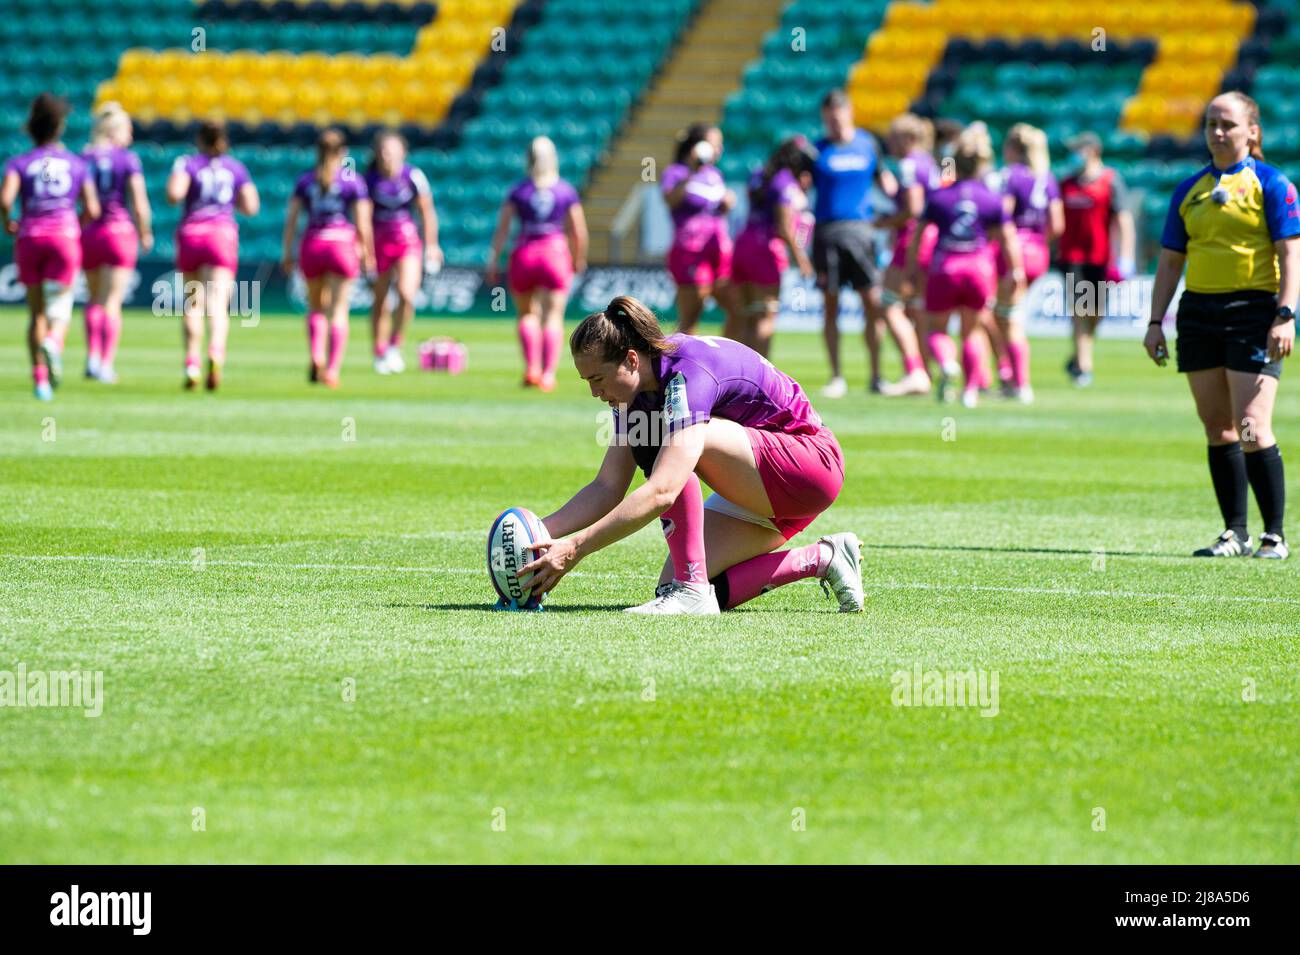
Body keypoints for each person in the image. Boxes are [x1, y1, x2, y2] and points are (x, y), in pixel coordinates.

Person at [518, 295, 864, 616]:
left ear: (631, 360)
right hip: (761, 482)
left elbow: (664, 490)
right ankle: (824, 558)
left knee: (667, 440)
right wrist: (536, 535)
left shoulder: (685, 373)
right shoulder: (637, 393)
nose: (595, 392)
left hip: (810, 466)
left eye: (598, 378)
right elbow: (607, 486)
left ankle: (690, 590)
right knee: (675, 582)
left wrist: (574, 549)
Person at [1144, 92, 1299, 559]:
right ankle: (1235, 533)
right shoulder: (1188, 190)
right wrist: (1155, 321)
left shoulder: (1273, 184)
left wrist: (1286, 313)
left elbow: (1290, 254)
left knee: (1252, 424)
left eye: (1227, 124)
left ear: (1253, 131)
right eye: (1211, 123)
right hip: (1198, 313)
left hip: (1253, 312)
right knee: (1218, 428)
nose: (1216, 132)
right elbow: (1171, 262)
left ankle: (1274, 534)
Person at [812, 89, 925, 397]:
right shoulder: (817, 150)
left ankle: (876, 374)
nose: (834, 125)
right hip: (827, 234)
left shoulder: (867, 145)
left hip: (862, 234)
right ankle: (836, 376)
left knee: (873, 305)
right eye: (828, 120)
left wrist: (902, 206)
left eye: (838, 118)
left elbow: (886, 181)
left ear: (848, 113)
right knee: (830, 306)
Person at [909, 124, 1023, 408]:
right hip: (978, 269)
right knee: (972, 331)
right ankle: (970, 392)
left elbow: (918, 236)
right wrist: (1015, 270)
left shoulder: (938, 196)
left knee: (936, 328)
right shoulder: (992, 198)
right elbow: (1008, 239)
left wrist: (914, 267)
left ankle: (947, 363)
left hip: (945, 266)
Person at [0, 93, 99, 400]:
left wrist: (9, 222)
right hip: (63, 236)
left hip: (30, 236)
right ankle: (54, 343)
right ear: (59, 128)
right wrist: (74, 226)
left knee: (36, 312)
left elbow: (5, 200)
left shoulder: (20, 162)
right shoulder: (75, 163)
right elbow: (93, 209)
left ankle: (40, 380)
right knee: (61, 307)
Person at [487, 136, 588, 391]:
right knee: (553, 316)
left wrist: (493, 260)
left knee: (526, 314)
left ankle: (531, 367)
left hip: (524, 252)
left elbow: (503, 229)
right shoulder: (565, 190)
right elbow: (578, 231)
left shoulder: (519, 190)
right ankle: (548, 374)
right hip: (554, 253)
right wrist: (578, 259)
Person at [167, 119, 259, 391]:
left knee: (193, 302)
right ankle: (216, 353)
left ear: (199, 139)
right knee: (218, 304)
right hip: (221, 235)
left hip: (192, 234)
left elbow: (174, 194)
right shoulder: (235, 168)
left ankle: (192, 362)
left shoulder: (188, 163)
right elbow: (251, 206)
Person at [281, 128, 375, 389]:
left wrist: (287, 252)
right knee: (338, 309)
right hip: (341, 245)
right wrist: (368, 253)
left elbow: (291, 221)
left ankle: (316, 355)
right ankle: (332, 369)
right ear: (343, 152)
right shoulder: (353, 181)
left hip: (313, 244)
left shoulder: (305, 180)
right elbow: (363, 224)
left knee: (315, 306)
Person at [81, 102, 152, 385]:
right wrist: (145, 231)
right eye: (128, 130)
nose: (131, 137)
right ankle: (106, 364)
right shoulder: (128, 159)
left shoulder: (85, 157)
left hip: (89, 233)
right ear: (116, 131)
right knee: (112, 302)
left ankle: (91, 357)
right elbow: (139, 202)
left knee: (93, 299)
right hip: (118, 232)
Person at [1057, 130, 1136, 387]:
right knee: (1080, 309)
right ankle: (1084, 366)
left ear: (1091, 151)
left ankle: (1078, 354)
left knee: (1095, 312)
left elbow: (1123, 220)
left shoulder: (1109, 181)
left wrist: (1125, 257)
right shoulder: (1066, 183)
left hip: (1099, 258)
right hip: (1072, 257)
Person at [726, 136, 817, 357]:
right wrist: (802, 259)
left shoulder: (759, 173)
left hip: (743, 244)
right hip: (765, 250)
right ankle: (760, 380)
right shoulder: (785, 181)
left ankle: (738, 378)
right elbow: (785, 228)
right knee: (766, 316)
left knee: (747, 316)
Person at [992, 123, 1063, 403]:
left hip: (1013, 252)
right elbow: (1057, 225)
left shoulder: (1011, 176)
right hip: (1038, 252)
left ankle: (1019, 383)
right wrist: (1037, 241)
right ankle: (1009, 377)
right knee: (1000, 314)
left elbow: (1003, 215)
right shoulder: (1047, 178)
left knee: (1009, 319)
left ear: (1012, 148)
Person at [365, 129, 441, 375]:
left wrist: (431, 245)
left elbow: (426, 212)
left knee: (407, 295)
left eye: (392, 150)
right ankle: (378, 350)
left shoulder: (413, 176)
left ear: (402, 152)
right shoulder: (368, 179)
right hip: (378, 243)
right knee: (380, 300)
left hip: (407, 241)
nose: (388, 155)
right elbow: (362, 216)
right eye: (384, 150)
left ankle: (395, 346)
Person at [875, 112, 939, 396]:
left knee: (889, 305)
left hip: (911, 239)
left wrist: (885, 222)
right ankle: (925, 370)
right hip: (932, 239)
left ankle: (914, 371)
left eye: (895, 136)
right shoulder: (930, 162)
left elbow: (913, 209)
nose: (890, 142)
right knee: (918, 307)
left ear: (909, 138)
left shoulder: (909, 165)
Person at [661, 123, 737, 336]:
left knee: (737, 308)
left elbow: (718, 208)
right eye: (715, 144)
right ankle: (677, 366)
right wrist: (691, 173)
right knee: (691, 314)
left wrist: (727, 202)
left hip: (717, 247)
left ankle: (726, 361)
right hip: (690, 250)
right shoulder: (676, 172)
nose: (719, 149)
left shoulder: (714, 174)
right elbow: (669, 200)